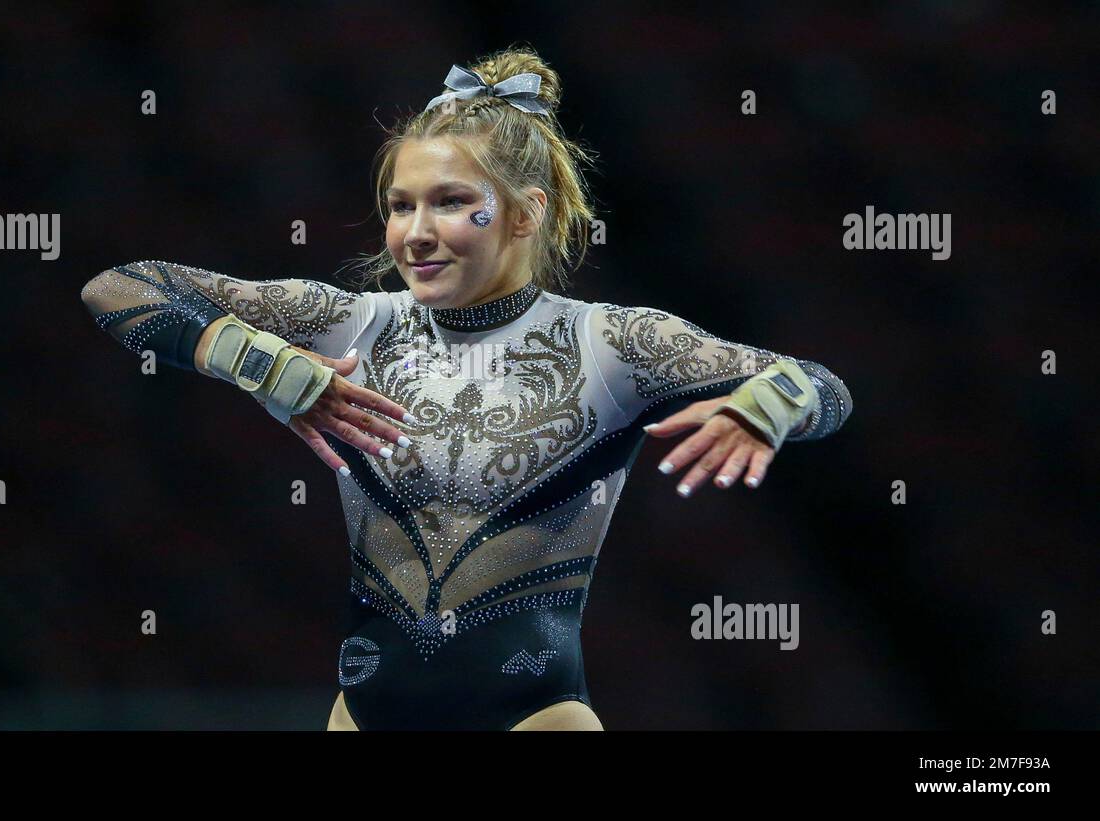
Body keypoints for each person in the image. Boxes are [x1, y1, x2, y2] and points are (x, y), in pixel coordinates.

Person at [80, 46, 852, 730]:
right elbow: (120, 288)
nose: (416, 230)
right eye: (401, 204)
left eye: (449, 202)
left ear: (525, 213)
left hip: (531, 715)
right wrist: (260, 361)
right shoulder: (353, 324)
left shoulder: (610, 344)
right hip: (364, 713)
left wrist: (766, 407)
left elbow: (820, 384)